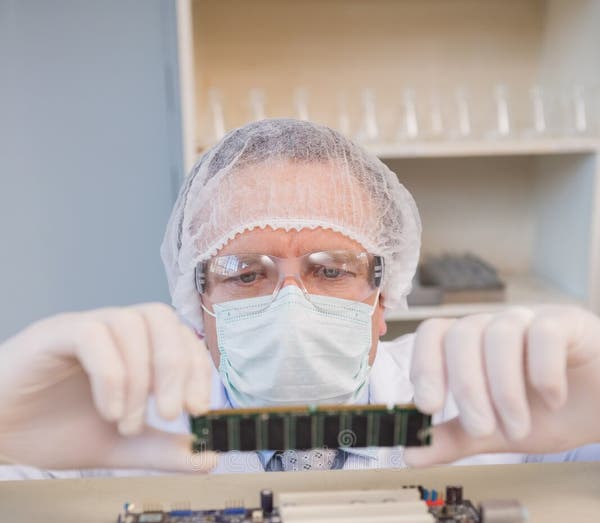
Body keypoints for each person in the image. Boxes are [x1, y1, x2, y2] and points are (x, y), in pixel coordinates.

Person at [1, 118, 599, 479]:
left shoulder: (483, 405)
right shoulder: (117, 424)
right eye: (244, 273)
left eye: (332, 270)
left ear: (383, 296)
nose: (292, 306)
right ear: (196, 301)